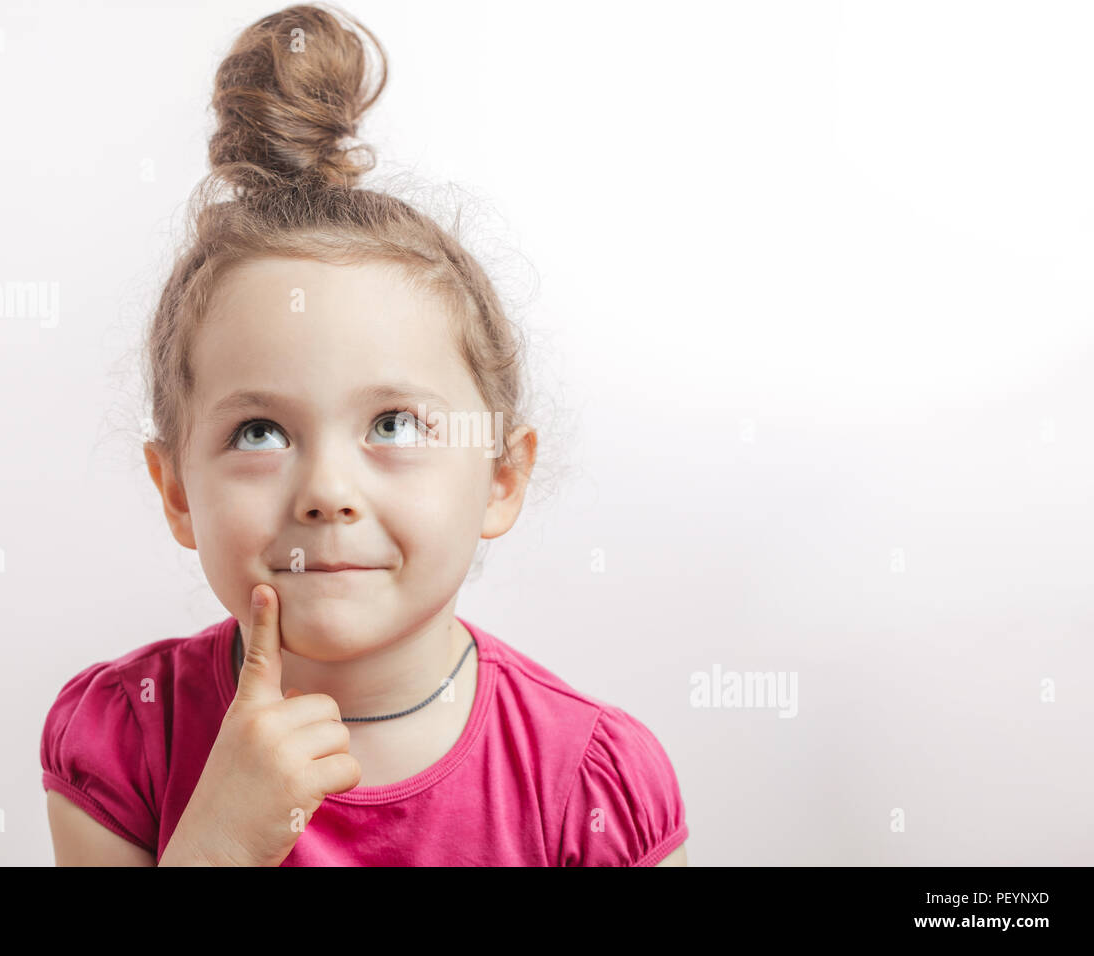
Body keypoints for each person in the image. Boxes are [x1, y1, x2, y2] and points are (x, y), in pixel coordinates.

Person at [41, 1, 688, 866]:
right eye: (261, 432)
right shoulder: (129, 741)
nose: (327, 495)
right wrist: (216, 846)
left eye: (392, 423)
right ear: (177, 491)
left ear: (500, 476)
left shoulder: (589, 789)